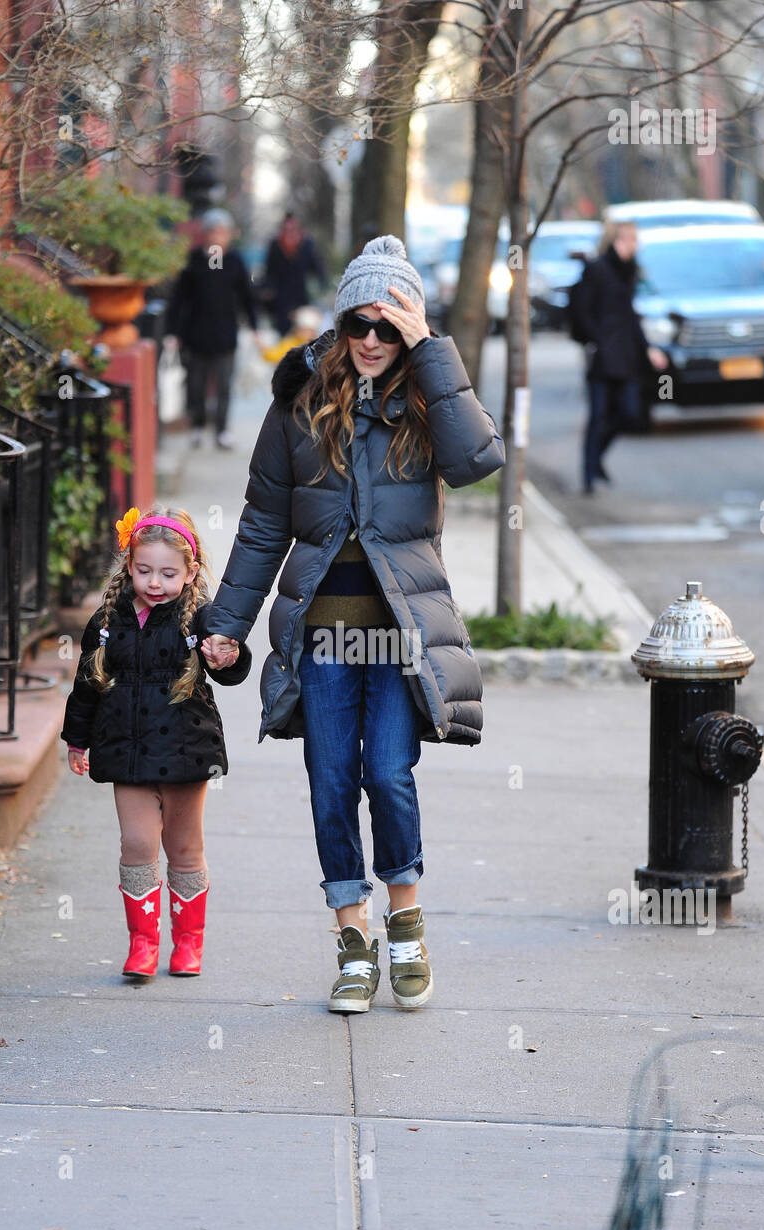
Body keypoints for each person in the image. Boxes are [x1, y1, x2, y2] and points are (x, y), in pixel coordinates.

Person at [203, 235, 505, 1014]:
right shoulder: (299, 405)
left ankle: (405, 922)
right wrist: (229, 620)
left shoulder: (426, 403)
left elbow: (480, 460)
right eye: (359, 324)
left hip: (402, 635)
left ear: (407, 331)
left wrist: (433, 349)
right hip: (325, 634)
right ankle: (352, 940)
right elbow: (265, 522)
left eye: (388, 327)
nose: (372, 341)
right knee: (332, 779)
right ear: (339, 325)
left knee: (388, 776)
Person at [60, 506, 251, 979]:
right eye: (144, 570)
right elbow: (86, 684)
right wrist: (77, 741)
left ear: (190, 572)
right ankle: (143, 945)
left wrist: (229, 655)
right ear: (128, 565)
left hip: (188, 751)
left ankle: (188, 946)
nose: (155, 582)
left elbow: (232, 669)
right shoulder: (108, 620)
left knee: (184, 846)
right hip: (125, 750)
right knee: (137, 842)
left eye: (168, 573)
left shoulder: (200, 620)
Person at [575, 220, 669, 494]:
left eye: (635, 240)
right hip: (603, 356)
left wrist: (648, 348)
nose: (633, 245)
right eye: (628, 240)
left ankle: (596, 457)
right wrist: (597, 341)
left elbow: (631, 315)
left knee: (629, 412)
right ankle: (589, 474)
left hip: (626, 356)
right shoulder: (596, 269)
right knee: (598, 416)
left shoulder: (630, 272)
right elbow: (582, 311)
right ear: (615, 241)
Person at [164, 210, 262, 450]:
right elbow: (179, 298)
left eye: (223, 232)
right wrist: (173, 332)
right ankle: (197, 426)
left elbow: (247, 297)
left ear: (229, 236)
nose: (218, 237)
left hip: (225, 334)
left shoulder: (236, 261)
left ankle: (222, 430)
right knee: (195, 385)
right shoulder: (193, 260)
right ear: (205, 235)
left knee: (224, 386)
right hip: (195, 334)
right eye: (214, 231)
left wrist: (254, 326)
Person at [263, 211, 327, 338]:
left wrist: (320, 289)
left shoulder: (307, 245)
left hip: (302, 298)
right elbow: (269, 272)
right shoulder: (275, 245)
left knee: (303, 335)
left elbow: (318, 269)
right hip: (281, 301)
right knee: (284, 336)